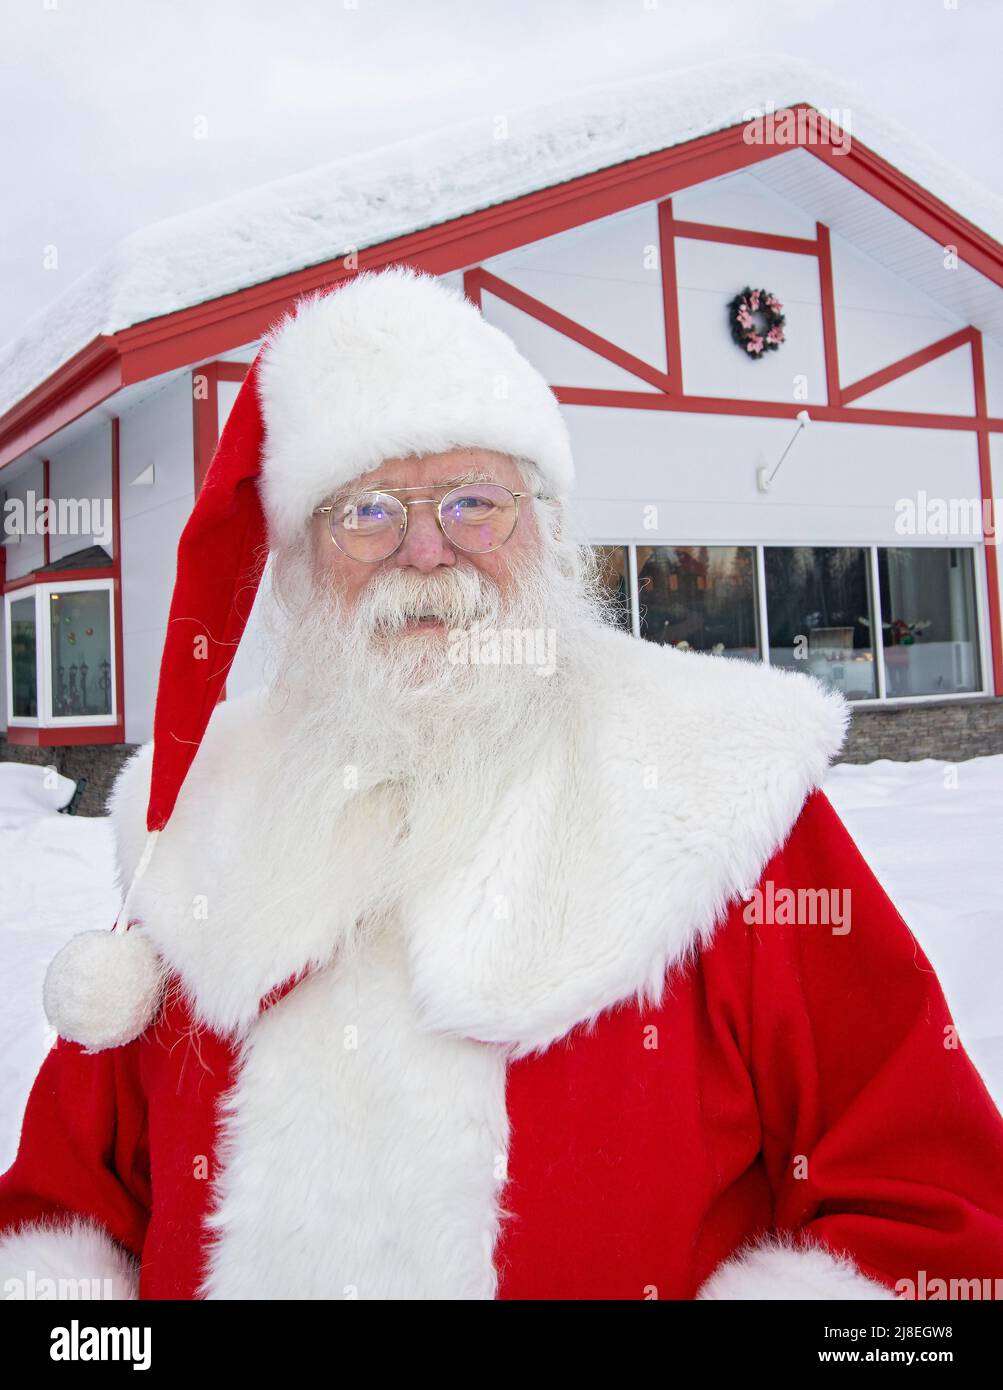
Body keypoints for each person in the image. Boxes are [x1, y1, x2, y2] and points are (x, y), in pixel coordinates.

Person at [1, 265, 1002, 1301]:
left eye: (476, 503)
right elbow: (65, 1219)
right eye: (370, 512)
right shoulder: (196, 827)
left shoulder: (721, 790)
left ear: (546, 529)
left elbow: (933, 1212)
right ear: (301, 561)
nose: (426, 551)